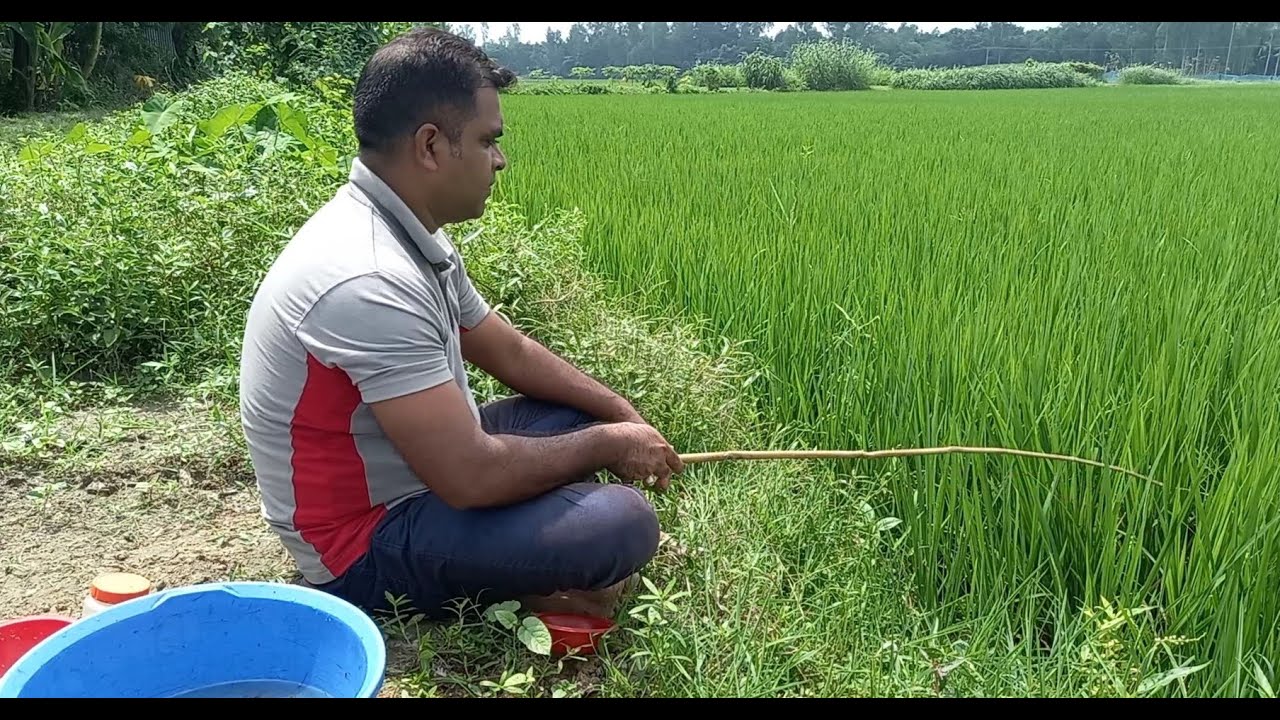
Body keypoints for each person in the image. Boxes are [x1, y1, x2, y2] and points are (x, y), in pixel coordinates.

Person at [237, 27, 684, 620]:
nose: (500, 160)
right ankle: (533, 584)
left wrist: (621, 414)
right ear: (429, 147)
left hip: (415, 467)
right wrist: (608, 444)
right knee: (621, 523)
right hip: (363, 537)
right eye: (486, 141)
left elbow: (510, 351)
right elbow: (470, 478)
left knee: (582, 412)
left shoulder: (407, 232)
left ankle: (530, 555)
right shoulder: (368, 279)